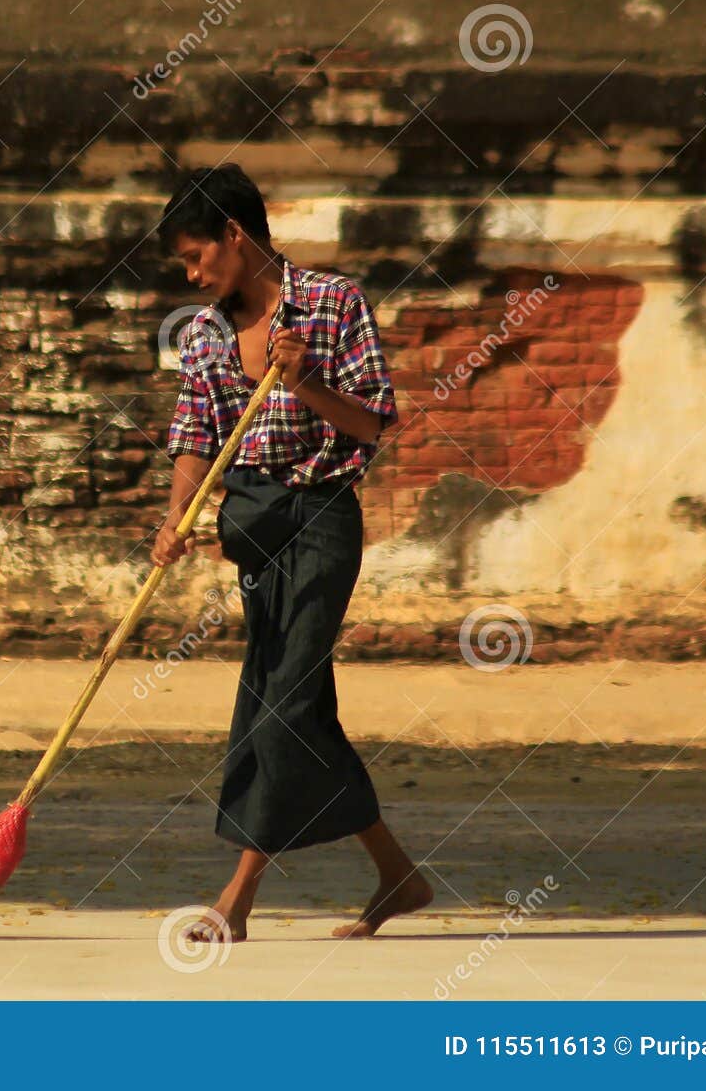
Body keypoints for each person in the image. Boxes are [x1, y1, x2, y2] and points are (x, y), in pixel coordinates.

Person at [151, 163, 433, 942]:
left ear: (235, 238)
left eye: (197, 255)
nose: (192, 272)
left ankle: (236, 898)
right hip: (254, 529)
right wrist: (175, 516)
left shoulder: (333, 304)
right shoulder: (206, 332)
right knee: (293, 703)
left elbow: (374, 424)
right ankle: (398, 875)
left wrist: (304, 382)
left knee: (277, 709)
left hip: (322, 522)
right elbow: (194, 441)